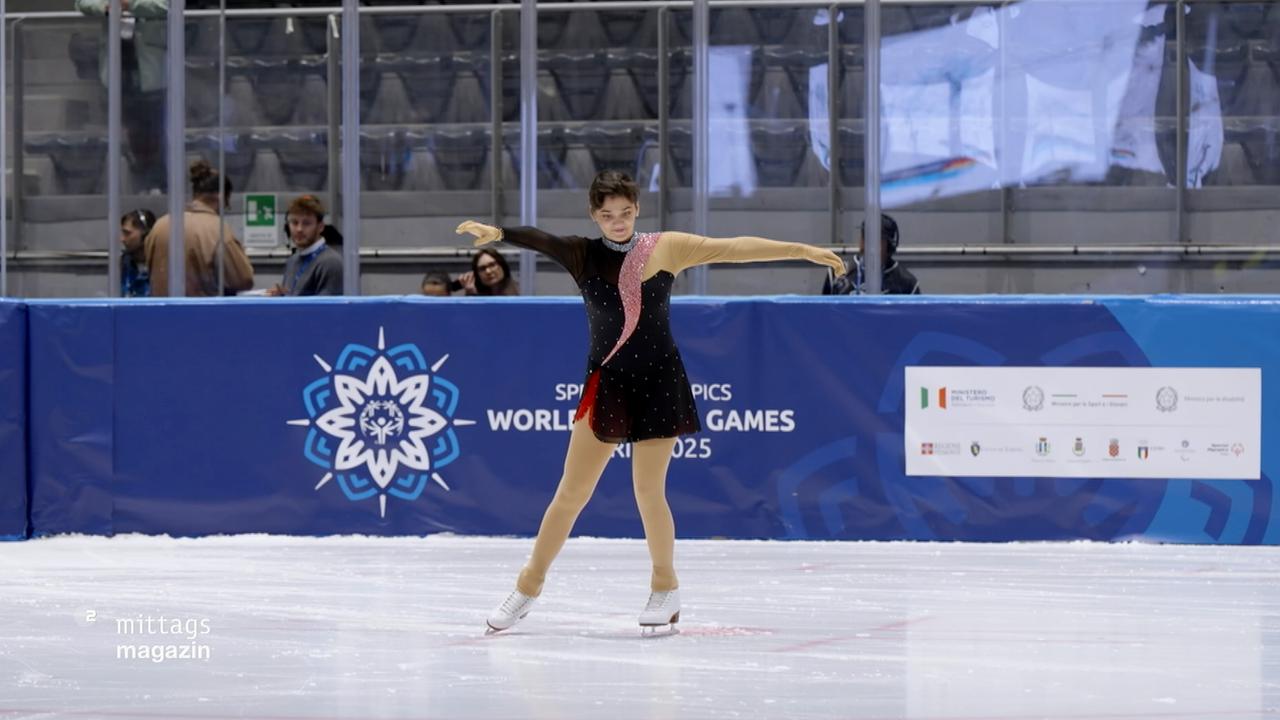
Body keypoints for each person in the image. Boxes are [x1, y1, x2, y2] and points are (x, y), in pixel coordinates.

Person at [456, 170, 844, 635]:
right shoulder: (583, 254)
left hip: (660, 382)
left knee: (648, 492)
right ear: (594, 216)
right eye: (607, 215)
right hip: (608, 385)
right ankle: (527, 586)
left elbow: (733, 247)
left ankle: (665, 586)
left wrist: (800, 250)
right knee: (571, 493)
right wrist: (498, 234)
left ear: (636, 209)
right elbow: (541, 240)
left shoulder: (666, 247)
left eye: (624, 213)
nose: (617, 222)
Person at [75, 0, 169, 193]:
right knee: (131, 128)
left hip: (150, 67)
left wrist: (130, 3)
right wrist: (106, 7)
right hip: (117, 65)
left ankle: (159, 183)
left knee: (155, 128)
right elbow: (82, 2)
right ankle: (142, 182)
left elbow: (167, 5)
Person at [145, 160, 255, 297]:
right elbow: (243, 279)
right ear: (222, 197)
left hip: (161, 313)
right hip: (204, 313)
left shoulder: (160, 225)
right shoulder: (217, 230)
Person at [822, 213, 921, 295]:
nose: (870, 246)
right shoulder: (837, 273)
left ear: (890, 246)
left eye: (877, 241)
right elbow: (823, 314)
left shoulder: (907, 284)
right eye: (866, 237)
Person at [266, 195, 343, 297]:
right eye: (294, 223)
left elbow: (327, 309)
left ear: (320, 227)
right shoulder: (292, 261)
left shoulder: (331, 263)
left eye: (306, 223)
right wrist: (280, 298)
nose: (299, 229)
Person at [120, 208, 155, 297]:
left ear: (146, 235)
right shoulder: (125, 261)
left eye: (127, 233)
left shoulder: (159, 262)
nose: (122, 239)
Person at [453, 248, 519, 296]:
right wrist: (472, 295)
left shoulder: (519, 291)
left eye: (492, 265)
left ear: (502, 266)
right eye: (482, 268)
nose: (488, 271)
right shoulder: (476, 293)